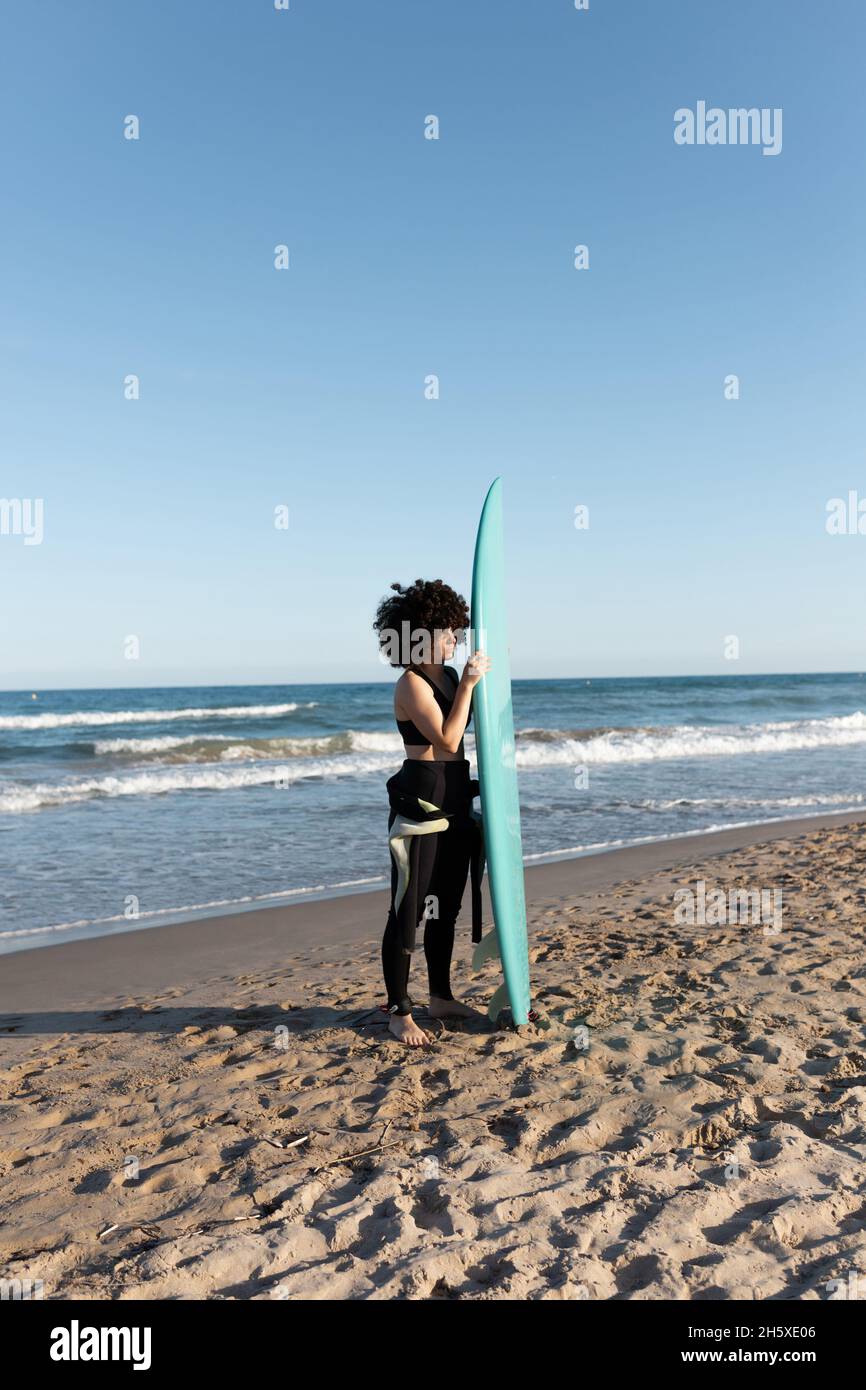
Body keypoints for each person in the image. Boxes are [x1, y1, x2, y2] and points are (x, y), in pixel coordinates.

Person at [373, 579, 491, 1045]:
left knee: (447, 903)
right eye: (447, 633)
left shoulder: (444, 675)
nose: (454, 641)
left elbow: (471, 727)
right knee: (409, 906)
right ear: (418, 634)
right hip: (421, 798)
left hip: (456, 792)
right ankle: (399, 1011)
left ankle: (440, 996)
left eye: (457, 633)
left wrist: (470, 684)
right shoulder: (412, 684)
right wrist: (468, 683)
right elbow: (445, 737)